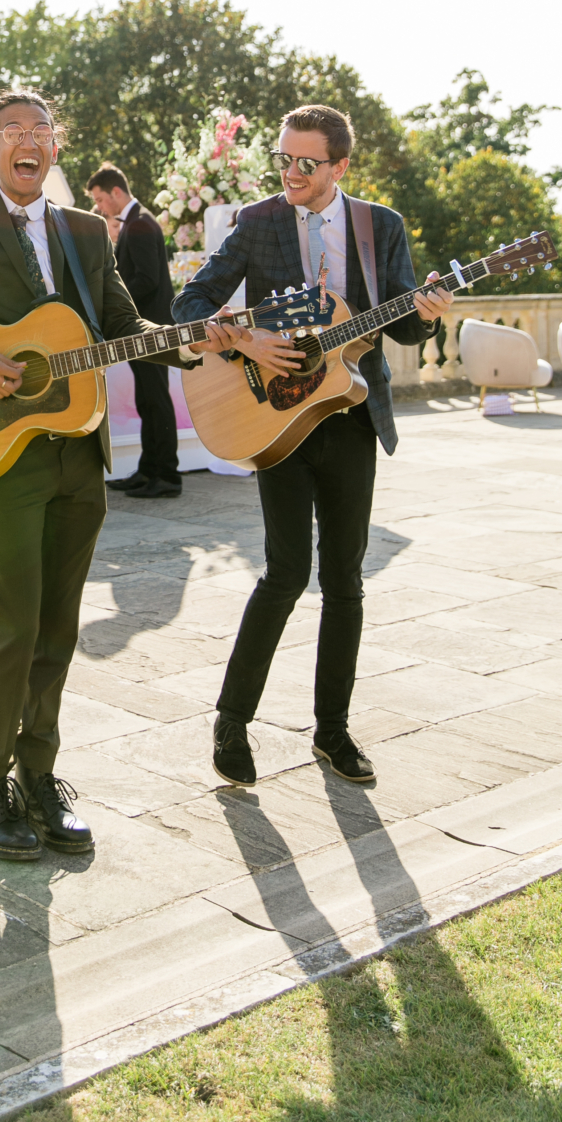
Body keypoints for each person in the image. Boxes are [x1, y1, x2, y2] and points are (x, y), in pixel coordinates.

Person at [0, 90, 223, 862]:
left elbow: (126, 331)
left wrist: (201, 339)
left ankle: (40, 773)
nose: (29, 143)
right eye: (12, 132)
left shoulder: (89, 231)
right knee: (16, 624)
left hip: (80, 452)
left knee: (60, 627)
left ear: (56, 148)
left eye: (42, 132)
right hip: (2, 449)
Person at [173, 104, 453, 788]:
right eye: (283, 160)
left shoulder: (379, 226)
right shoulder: (259, 220)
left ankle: (332, 733)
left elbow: (403, 329)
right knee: (285, 572)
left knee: (346, 582)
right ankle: (232, 723)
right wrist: (243, 338)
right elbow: (191, 305)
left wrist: (424, 312)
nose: (291, 174)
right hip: (279, 417)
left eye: (307, 163)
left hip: (352, 415)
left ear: (340, 167)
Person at [86, 163, 182, 499]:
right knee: (146, 399)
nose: (99, 206)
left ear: (115, 192)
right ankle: (148, 469)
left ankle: (167, 474)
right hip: (144, 327)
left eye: (100, 199)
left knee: (156, 399)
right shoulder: (136, 221)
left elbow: (147, 280)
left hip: (150, 327)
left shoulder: (139, 224)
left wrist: (115, 303)